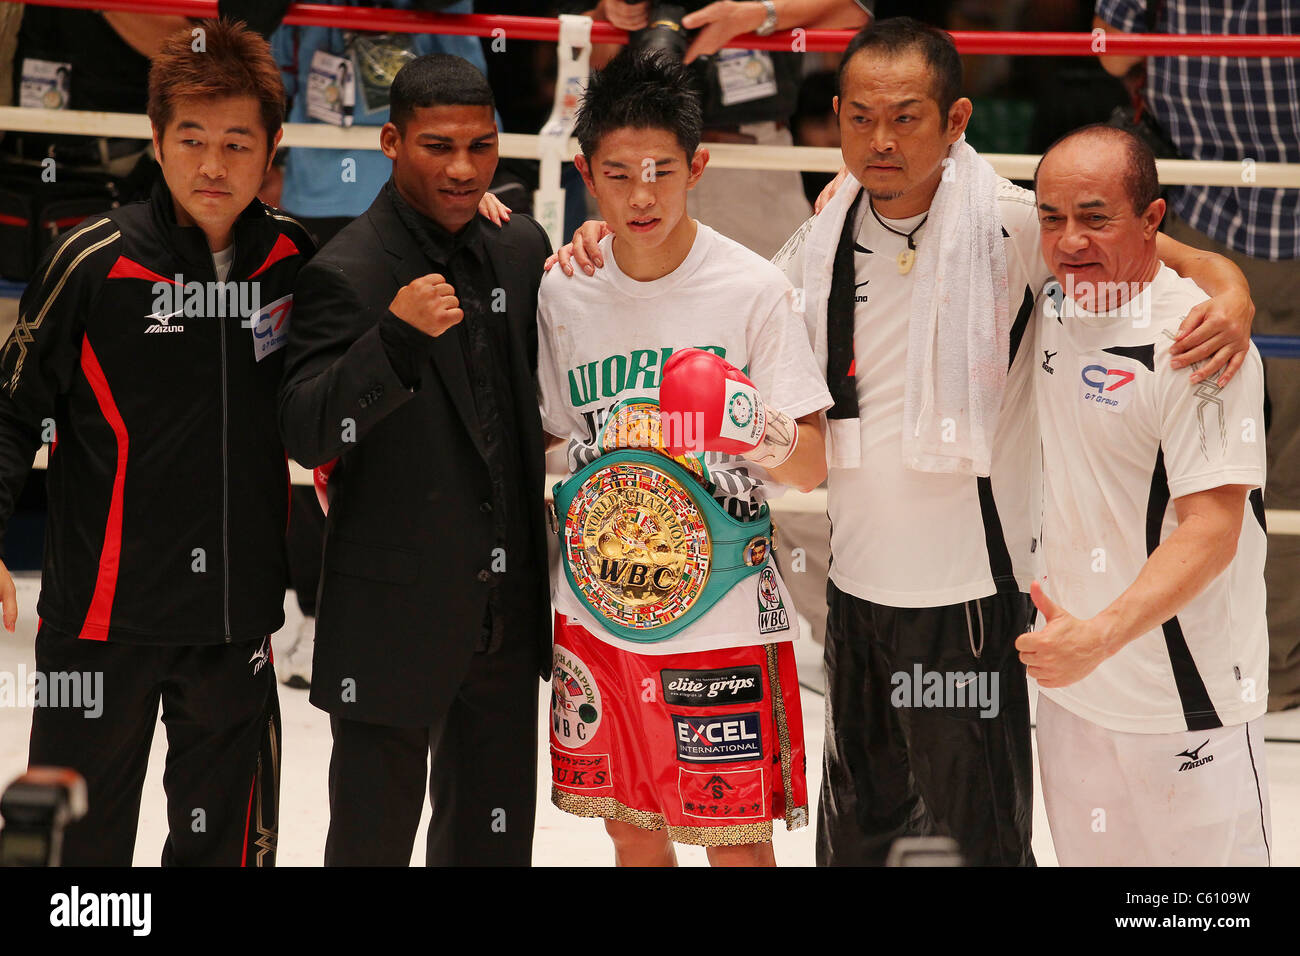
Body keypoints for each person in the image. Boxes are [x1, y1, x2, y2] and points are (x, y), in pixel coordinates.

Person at [550, 16, 1257, 866]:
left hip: (970, 595)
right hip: (856, 592)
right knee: (859, 840)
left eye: (907, 117)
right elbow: (704, 289)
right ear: (838, 113)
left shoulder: (1015, 224)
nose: (880, 140)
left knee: (979, 841)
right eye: (861, 118)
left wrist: (1232, 286)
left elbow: (1149, 248)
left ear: (956, 120)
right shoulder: (822, 238)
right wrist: (608, 233)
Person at [0, 18, 313, 866]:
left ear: (272, 146)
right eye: (193, 140)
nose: (214, 166)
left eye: (237, 143)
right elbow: (9, 411)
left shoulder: (296, 262)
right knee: (72, 863)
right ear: (158, 139)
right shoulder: (90, 261)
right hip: (100, 626)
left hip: (234, 622)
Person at [539, 48, 832, 867]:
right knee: (632, 831)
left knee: (732, 842)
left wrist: (748, 422)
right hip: (597, 607)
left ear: (697, 166)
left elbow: (809, 466)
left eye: (662, 171)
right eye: (619, 172)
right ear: (586, 174)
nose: (642, 194)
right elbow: (552, 431)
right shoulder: (563, 290)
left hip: (723, 612)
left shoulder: (752, 289)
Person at [277, 53, 552, 866]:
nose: (464, 169)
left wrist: (594, 245)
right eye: (438, 146)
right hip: (390, 621)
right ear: (391, 141)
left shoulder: (521, 246)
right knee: (370, 847)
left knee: (491, 849)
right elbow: (303, 432)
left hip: (503, 615)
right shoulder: (346, 270)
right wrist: (391, 340)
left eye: (481, 146)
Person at [1024, 125, 1270, 865]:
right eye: (1051, 218)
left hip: (1188, 708)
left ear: (1152, 221)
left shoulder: (1200, 340)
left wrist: (1100, 636)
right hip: (1073, 698)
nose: (1069, 242)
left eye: (1096, 219)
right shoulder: (1053, 297)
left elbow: (1212, 531)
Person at [1094, 0, 1300, 713]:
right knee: (1254, 466)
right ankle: (1269, 672)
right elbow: (1114, 52)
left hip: (1204, 203)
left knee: (1193, 468)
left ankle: (1247, 669)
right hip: (1196, 209)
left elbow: (1114, 52)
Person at [560, 0, 870, 258]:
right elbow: (570, 45)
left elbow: (858, 8)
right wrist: (605, 17)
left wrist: (757, 13)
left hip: (753, 159)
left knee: (776, 298)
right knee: (628, 308)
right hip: (633, 155)